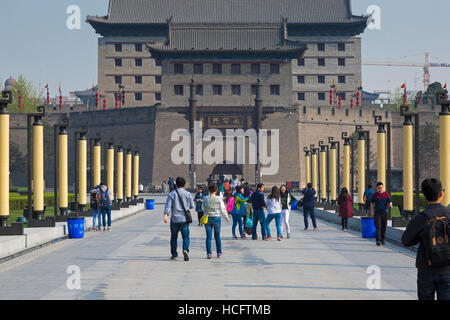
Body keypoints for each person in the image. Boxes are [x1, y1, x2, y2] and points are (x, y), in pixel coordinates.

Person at [402, 178, 450, 300]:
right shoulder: (448, 214)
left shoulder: (421, 217)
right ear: (441, 193)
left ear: (424, 195)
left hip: (426, 268)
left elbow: (406, 240)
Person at [163, 177, 195, 261]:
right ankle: (185, 249)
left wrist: (165, 215)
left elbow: (168, 206)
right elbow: (192, 206)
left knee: (174, 237)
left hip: (174, 219)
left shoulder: (171, 194)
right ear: (184, 185)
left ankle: (174, 255)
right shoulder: (188, 194)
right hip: (184, 219)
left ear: (176, 184)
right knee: (186, 237)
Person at [202, 183, 230, 259]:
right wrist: (226, 217)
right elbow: (223, 209)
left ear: (208, 190)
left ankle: (209, 254)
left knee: (208, 237)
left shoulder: (205, 198)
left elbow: (203, 208)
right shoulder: (219, 198)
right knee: (217, 236)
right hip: (216, 218)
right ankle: (219, 253)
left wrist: (207, 212)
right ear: (216, 190)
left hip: (208, 218)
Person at [370, 182, 392, 246]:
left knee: (383, 227)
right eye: (379, 188)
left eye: (381, 188)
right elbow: (371, 203)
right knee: (378, 227)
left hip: (384, 213)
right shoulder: (375, 195)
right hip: (377, 214)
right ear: (376, 188)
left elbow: (389, 200)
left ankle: (383, 240)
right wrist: (371, 212)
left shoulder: (386, 194)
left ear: (383, 187)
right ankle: (378, 240)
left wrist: (390, 203)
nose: (380, 189)